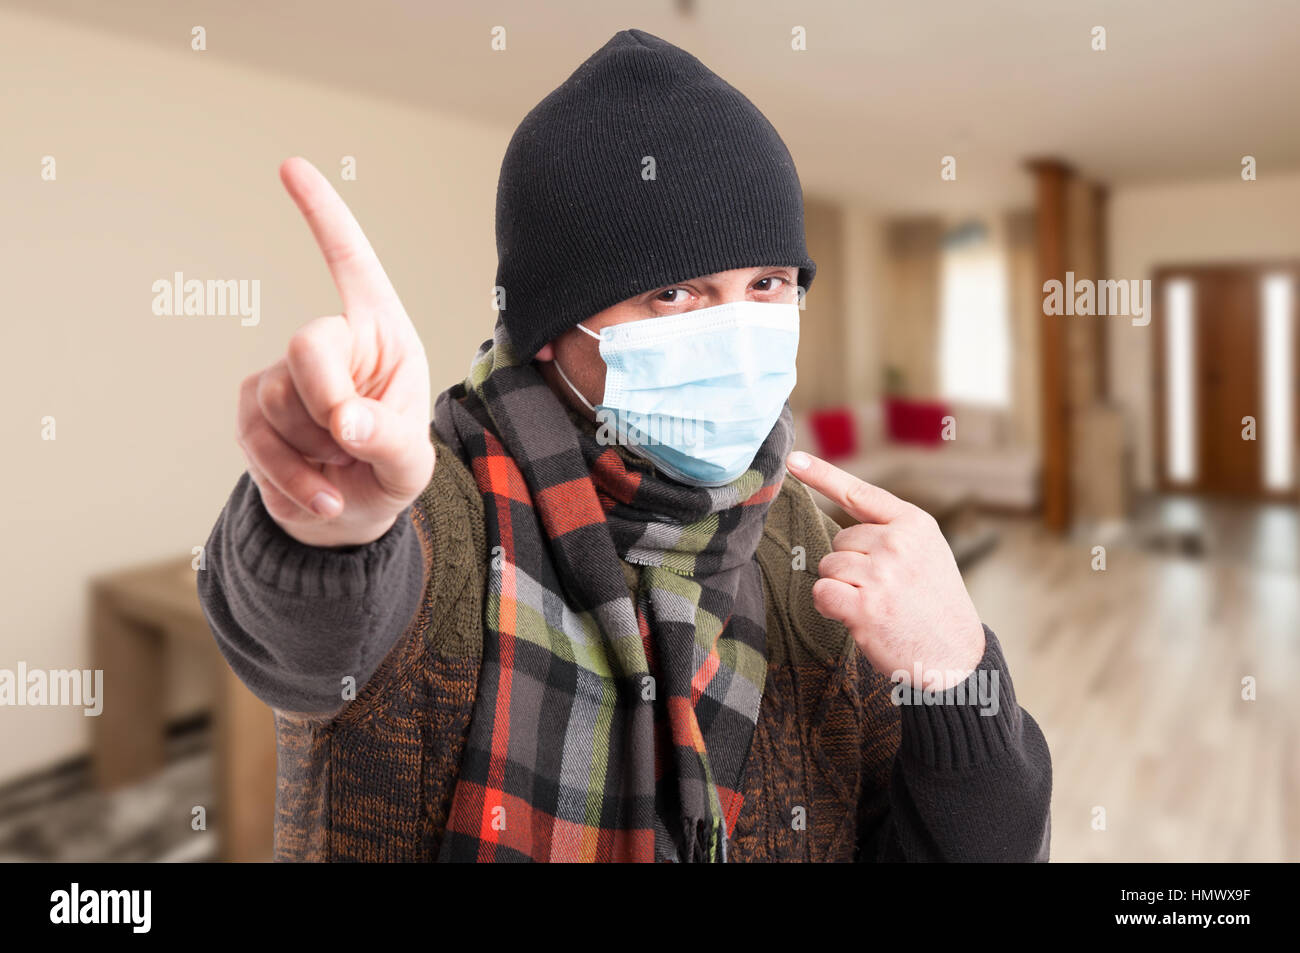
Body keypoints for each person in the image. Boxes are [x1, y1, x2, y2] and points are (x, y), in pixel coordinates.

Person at [197, 29, 1051, 862]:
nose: (737, 329)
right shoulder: (441, 514)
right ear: (546, 330)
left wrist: (960, 680)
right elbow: (312, 650)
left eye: (766, 284)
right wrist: (325, 530)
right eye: (675, 292)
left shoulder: (821, 561)